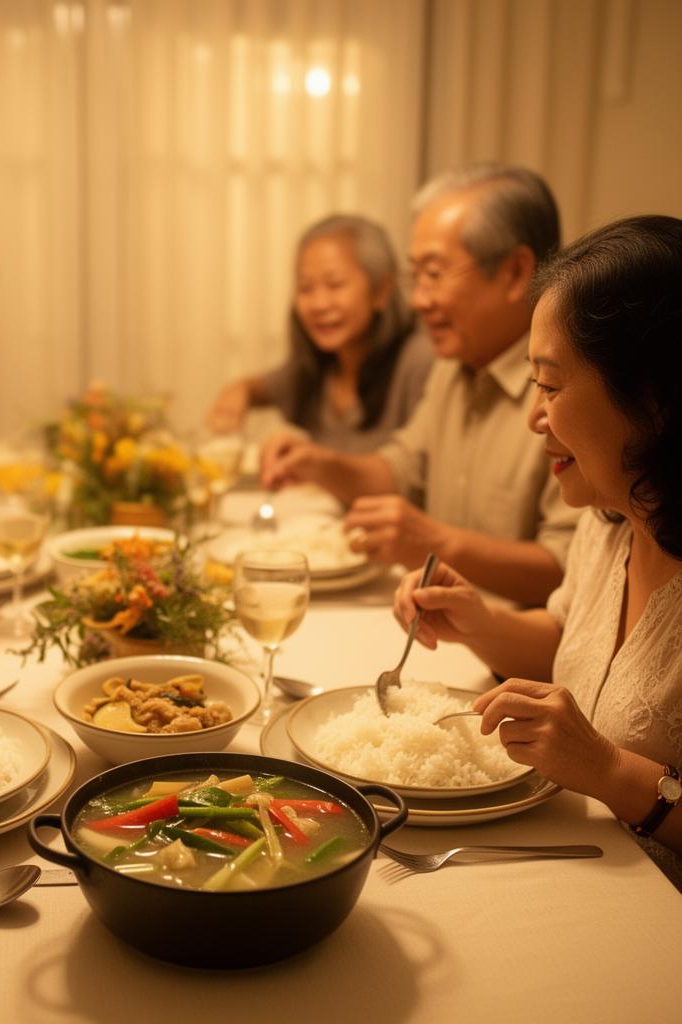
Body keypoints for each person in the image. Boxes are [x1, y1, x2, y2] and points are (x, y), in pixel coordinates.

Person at [393, 215, 682, 886]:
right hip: (574, 868)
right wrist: (482, 625)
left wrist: (611, 771)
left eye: (550, 386)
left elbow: (607, 752)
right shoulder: (613, 519)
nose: (534, 416)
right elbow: (569, 637)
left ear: (655, 399)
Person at [262, 165, 580, 606]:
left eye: (434, 274)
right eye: (416, 276)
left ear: (514, 272)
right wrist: (318, 463)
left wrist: (437, 543)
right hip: (433, 630)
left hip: (519, 661)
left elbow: (571, 571)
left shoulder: (569, 388)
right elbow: (401, 470)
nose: (417, 300)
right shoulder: (454, 366)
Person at [206, 214, 433, 457]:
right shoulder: (318, 366)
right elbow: (259, 387)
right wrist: (240, 390)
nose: (318, 304)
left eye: (335, 285)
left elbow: (415, 478)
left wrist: (316, 465)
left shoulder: (419, 363)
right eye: (306, 288)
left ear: (382, 289)